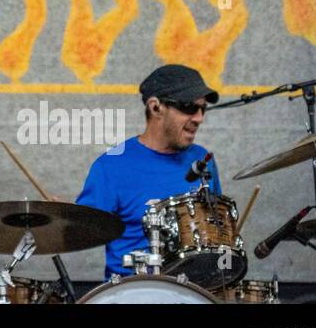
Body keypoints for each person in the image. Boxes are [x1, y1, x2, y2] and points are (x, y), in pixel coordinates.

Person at [77, 64, 221, 278]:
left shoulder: (202, 160)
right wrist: (62, 216)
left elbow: (215, 230)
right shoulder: (111, 166)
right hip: (130, 291)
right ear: (156, 107)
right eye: (189, 107)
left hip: (191, 290)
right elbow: (80, 230)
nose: (199, 118)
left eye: (203, 109)